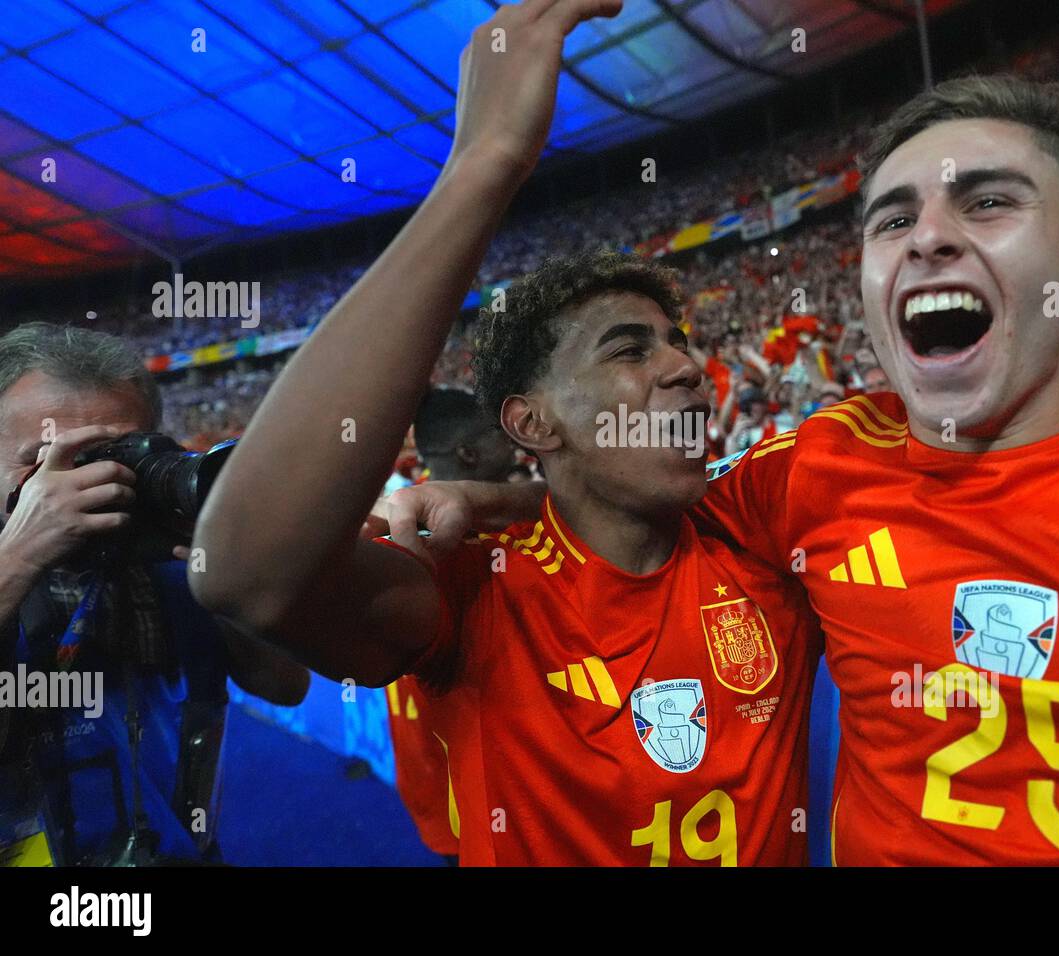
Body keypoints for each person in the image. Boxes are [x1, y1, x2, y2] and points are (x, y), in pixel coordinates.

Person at [191, 0, 823, 866]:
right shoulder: (482, 588)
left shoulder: (763, 534)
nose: (684, 370)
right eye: (629, 349)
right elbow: (244, 575)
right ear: (530, 421)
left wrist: (505, 493)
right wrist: (482, 165)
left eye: (680, 344)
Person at [692, 74, 1059, 864]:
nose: (927, 238)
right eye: (895, 219)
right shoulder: (812, 469)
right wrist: (489, 166)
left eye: (986, 203)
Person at [0, 323, 307, 866]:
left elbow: (283, 685)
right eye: (44, 459)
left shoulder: (173, 561)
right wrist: (20, 556)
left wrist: (233, 580)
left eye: (115, 454)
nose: (89, 483)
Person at [385, 385, 515, 862]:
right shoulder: (474, 548)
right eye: (500, 434)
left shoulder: (390, 540)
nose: (515, 441)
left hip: (437, 792)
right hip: (486, 801)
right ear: (468, 452)